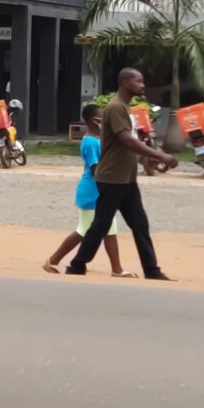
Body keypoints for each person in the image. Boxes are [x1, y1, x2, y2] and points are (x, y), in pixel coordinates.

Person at [65, 68, 178, 280]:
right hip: (112, 178)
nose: (143, 85)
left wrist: (148, 157)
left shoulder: (125, 108)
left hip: (126, 178)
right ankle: (76, 264)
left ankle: (151, 270)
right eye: (139, 81)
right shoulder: (116, 107)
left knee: (139, 225)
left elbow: (130, 143)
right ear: (125, 83)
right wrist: (160, 155)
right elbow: (127, 140)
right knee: (100, 225)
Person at [43, 103, 136, 277]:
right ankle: (53, 260)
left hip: (98, 191)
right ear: (94, 120)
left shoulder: (98, 139)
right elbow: (96, 170)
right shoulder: (91, 142)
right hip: (93, 191)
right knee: (85, 229)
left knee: (110, 229)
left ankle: (117, 269)